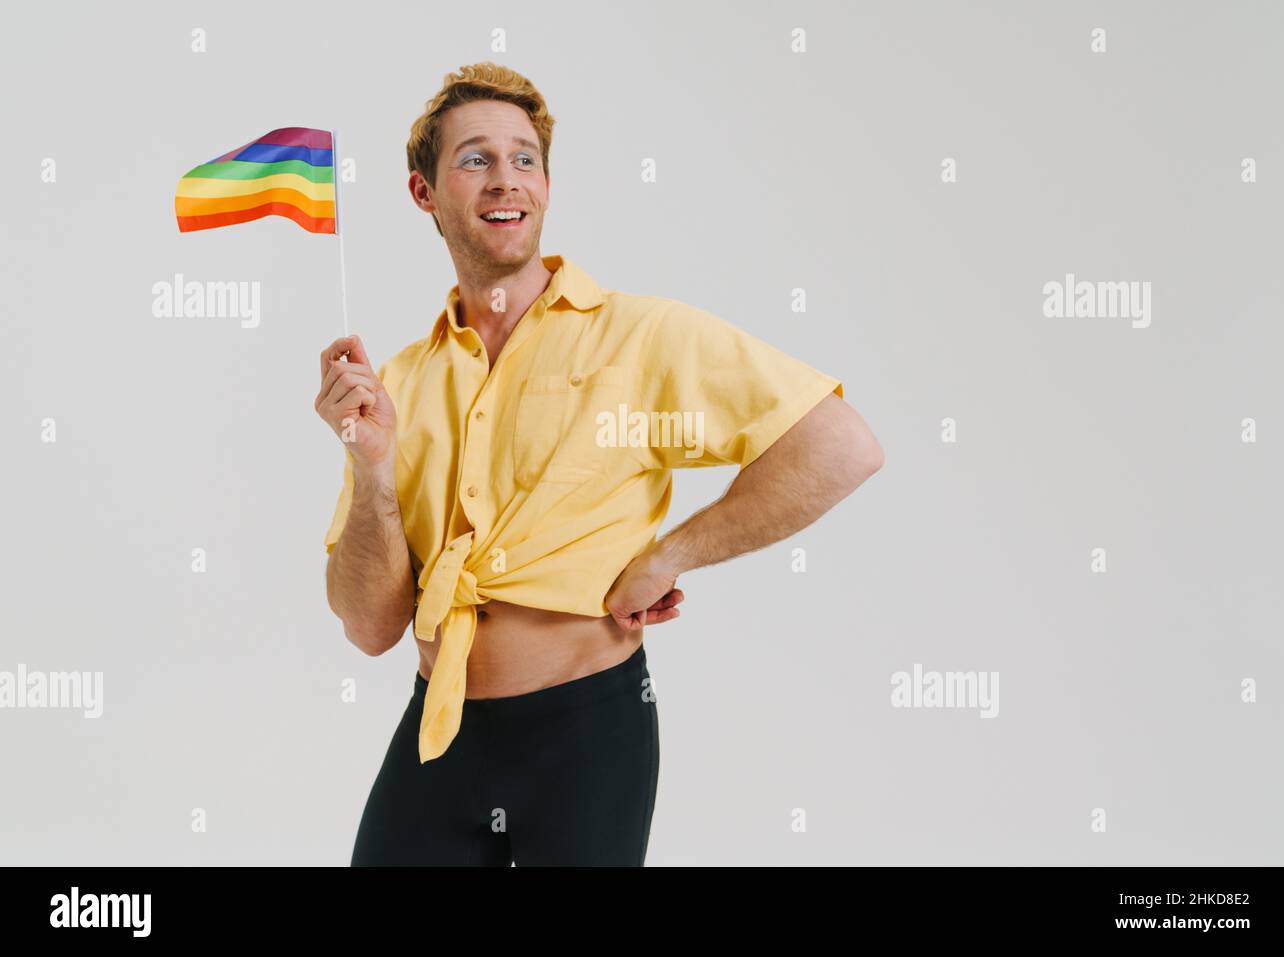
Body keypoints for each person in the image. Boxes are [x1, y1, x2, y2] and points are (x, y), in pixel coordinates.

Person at [315, 62, 885, 866]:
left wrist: (671, 554)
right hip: (438, 734)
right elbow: (370, 626)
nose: (504, 179)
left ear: (546, 184)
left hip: (586, 736)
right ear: (424, 192)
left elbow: (842, 443)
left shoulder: (639, 337)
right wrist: (371, 466)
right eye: (474, 159)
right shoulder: (396, 384)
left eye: (524, 159)